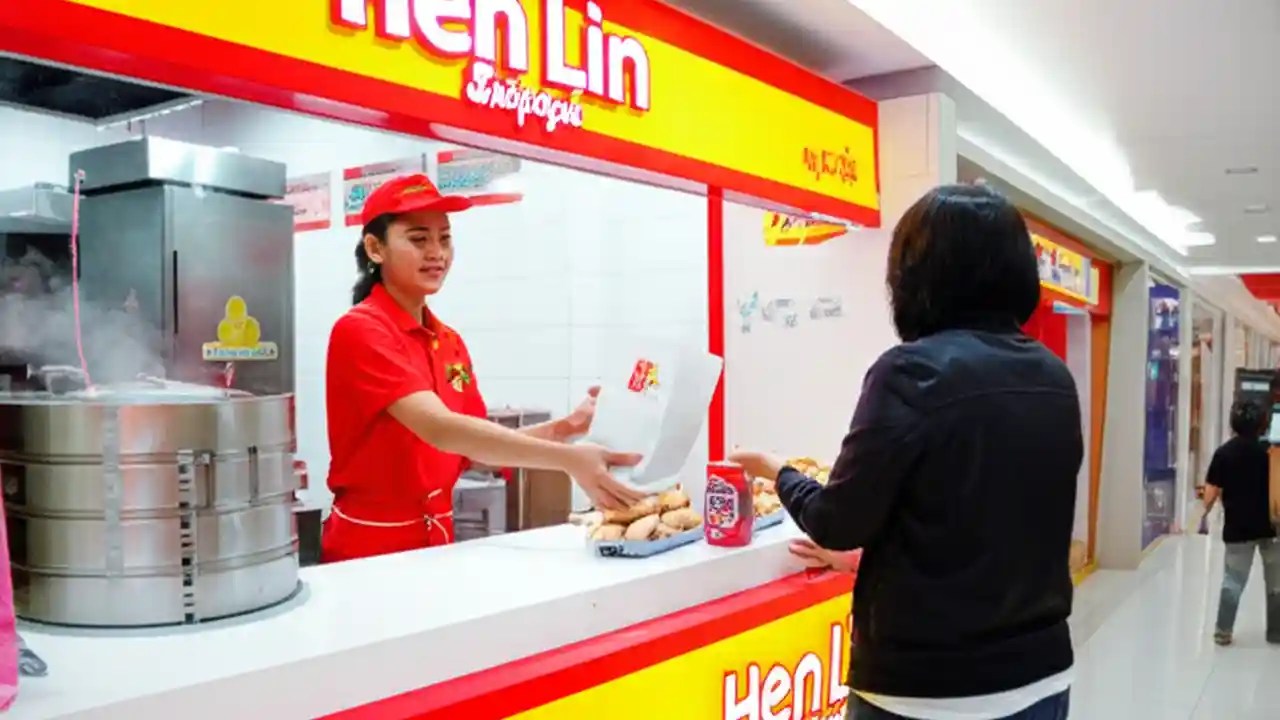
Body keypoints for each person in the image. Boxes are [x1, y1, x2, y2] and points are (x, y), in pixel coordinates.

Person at [731, 184, 1081, 720]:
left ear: (914, 275)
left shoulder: (910, 371)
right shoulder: (1054, 375)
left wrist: (779, 470)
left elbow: (838, 522)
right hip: (1040, 675)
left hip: (925, 690)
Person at [322, 174, 645, 563]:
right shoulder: (361, 330)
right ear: (375, 248)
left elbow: (476, 452)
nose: (436, 253)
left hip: (438, 542)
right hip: (369, 550)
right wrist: (569, 461)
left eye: (445, 238)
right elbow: (441, 428)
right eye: (419, 239)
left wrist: (568, 429)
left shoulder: (448, 340)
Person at [1202, 399, 1280, 646]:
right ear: (1262, 424)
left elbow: (1210, 494)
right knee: (1276, 582)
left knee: (1233, 580)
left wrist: (1199, 516)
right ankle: (1276, 632)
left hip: (1238, 529)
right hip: (1272, 527)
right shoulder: (1272, 455)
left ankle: (1223, 631)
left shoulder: (1224, 453)